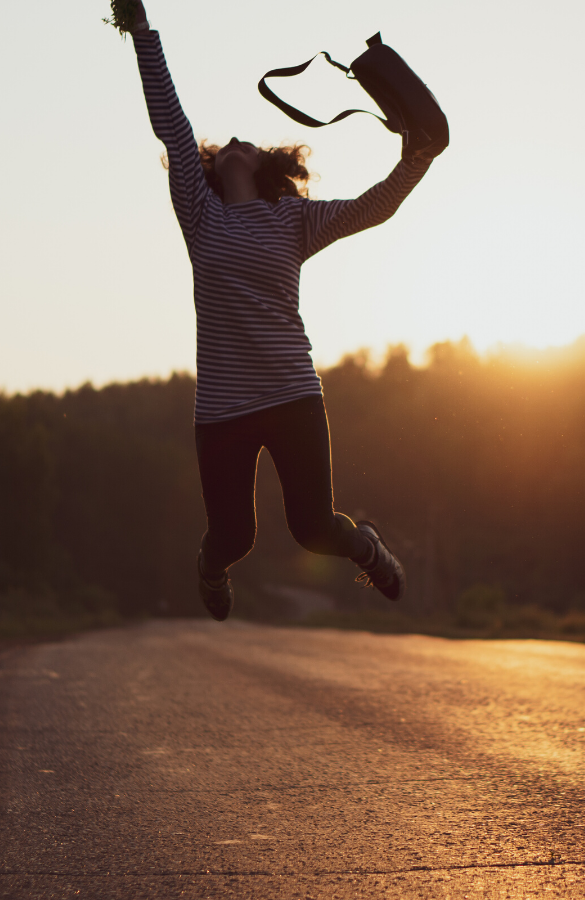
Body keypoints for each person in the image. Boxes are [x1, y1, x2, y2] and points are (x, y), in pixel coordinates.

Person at [120, 2, 437, 620]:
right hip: (223, 408)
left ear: (263, 164)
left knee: (314, 529)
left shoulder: (292, 220)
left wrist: (416, 158)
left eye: (248, 140)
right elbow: (172, 124)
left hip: (292, 393)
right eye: (225, 143)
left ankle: (367, 549)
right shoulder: (201, 214)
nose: (236, 139)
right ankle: (211, 569)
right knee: (235, 538)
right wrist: (140, 30)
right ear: (211, 168)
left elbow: (372, 207)